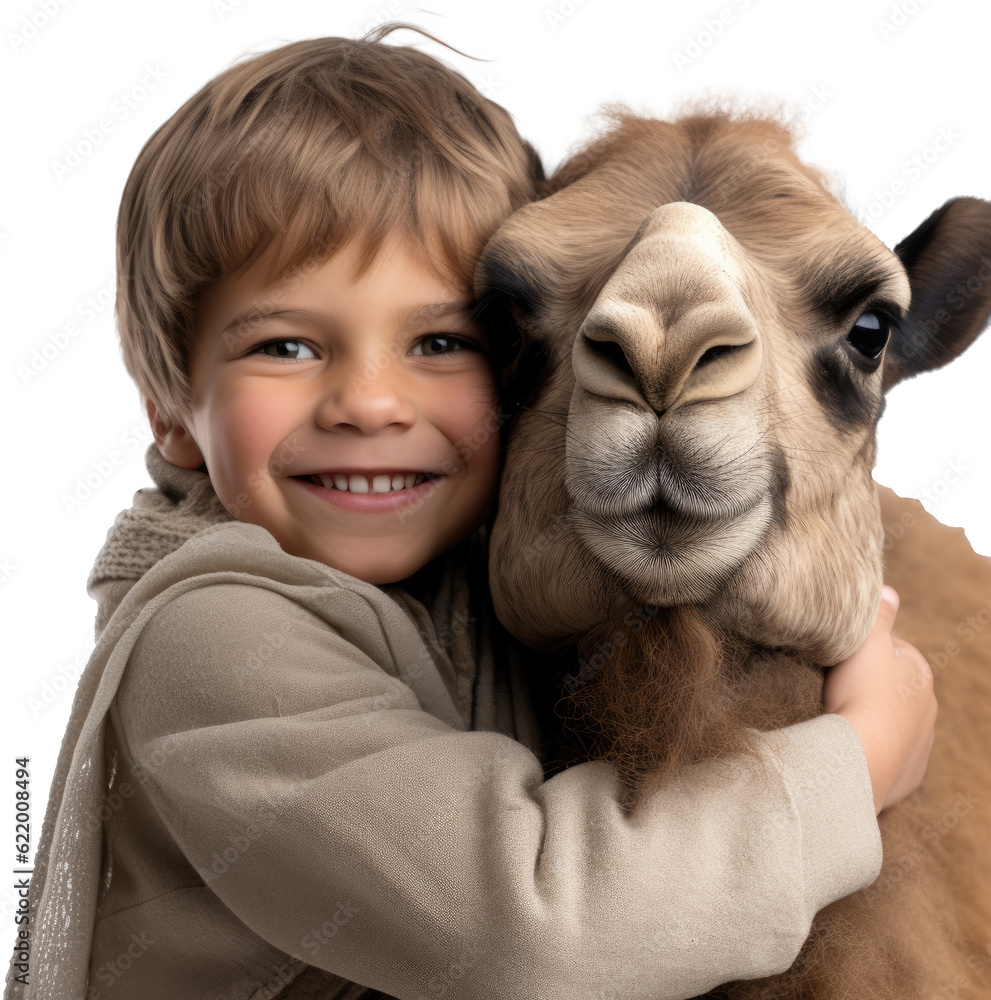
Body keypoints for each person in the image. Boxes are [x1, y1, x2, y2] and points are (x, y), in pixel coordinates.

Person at [6, 28, 936, 1000]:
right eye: (284, 347)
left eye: (444, 340)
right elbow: (529, 932)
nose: (370, 402)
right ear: (169, 412)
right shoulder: (213, 642)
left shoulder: (469, 581)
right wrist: (856, 762)